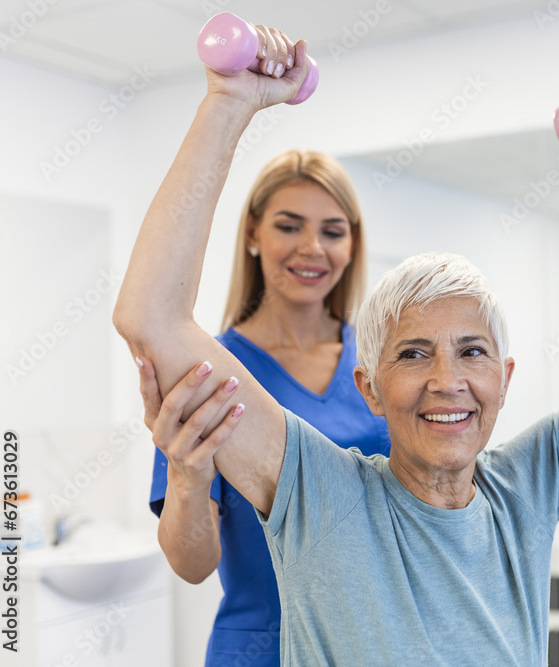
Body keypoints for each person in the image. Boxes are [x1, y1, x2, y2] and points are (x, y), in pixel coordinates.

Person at [112, 22, 559, 665]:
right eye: (414, 354)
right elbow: (153, 316)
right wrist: (227, 103)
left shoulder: (525, 487)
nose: (447, 380)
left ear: (505, 378)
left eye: (471, 351)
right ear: (369, 388)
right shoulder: (322, 493)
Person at [147, 143, 391, 664]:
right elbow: (192, 565)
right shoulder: (208, 371)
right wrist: (187, 478)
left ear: (352, 244)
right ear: (254, 234)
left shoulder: (384, 361)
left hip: (376, 645)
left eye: (332, 231)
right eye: (289, 226)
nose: (312, 247)